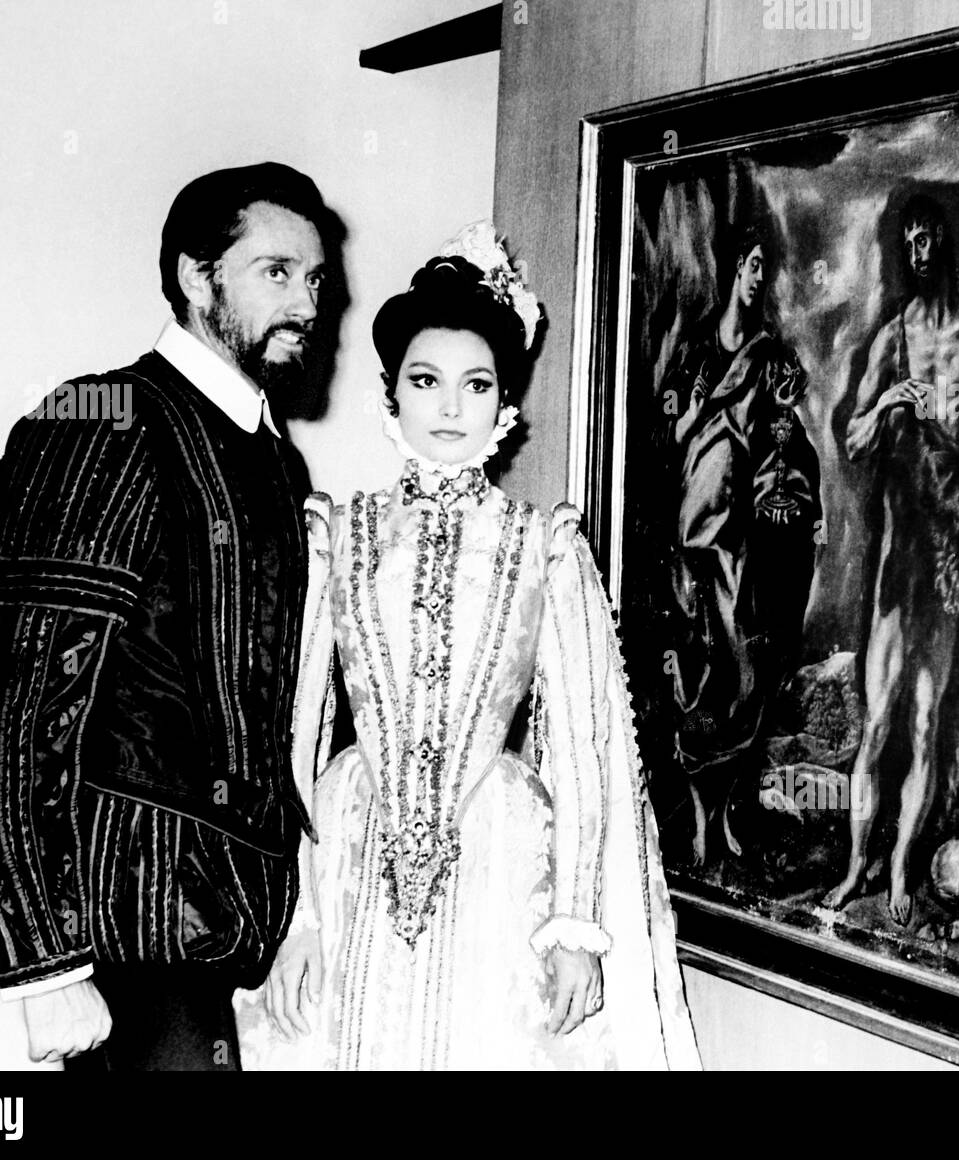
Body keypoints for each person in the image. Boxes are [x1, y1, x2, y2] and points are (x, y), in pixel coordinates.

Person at [234, 224, 701, 1069]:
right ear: (393, 394)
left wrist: (576, 927)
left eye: (475, 384)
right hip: (348, 860)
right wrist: (293, 915)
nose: (450, 408)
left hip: (501, 866)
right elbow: (291, 740)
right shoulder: (338, 534)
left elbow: (585, 750)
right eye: (426, 381)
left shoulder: (546, 546)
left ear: (503, 402)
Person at [0, 162, 337, 1069]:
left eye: (316, 279)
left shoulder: (279, 470)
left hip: (240, 936)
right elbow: (14, 702)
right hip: (129, 942)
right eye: (275, 272)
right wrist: (43, 966)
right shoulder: (104, 418)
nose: (308, 303)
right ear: (196, 278)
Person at [822, 193, 959, 924]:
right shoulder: (894, 337)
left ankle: (901, 873)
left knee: (929, 721)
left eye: (929, 237)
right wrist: (887, 407)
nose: (920, 250)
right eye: (910, 240)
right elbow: (853, 438)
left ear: (945, 245)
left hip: (951, 549)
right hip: (901, 552)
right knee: (878, 723)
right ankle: (851, 871)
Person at [659, 226, 821, 864]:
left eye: (764, 268)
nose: (759, 277)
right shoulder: (697, 350)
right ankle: (698, 820)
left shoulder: (768, 354)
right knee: (698, 670)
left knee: (743, 677)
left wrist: (785, 421)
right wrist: (698, 413)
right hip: (695, 530)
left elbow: (785, 438)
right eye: (752, 265)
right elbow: (672, 437)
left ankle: (725, 817)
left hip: (741, 540)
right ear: (731, 268)